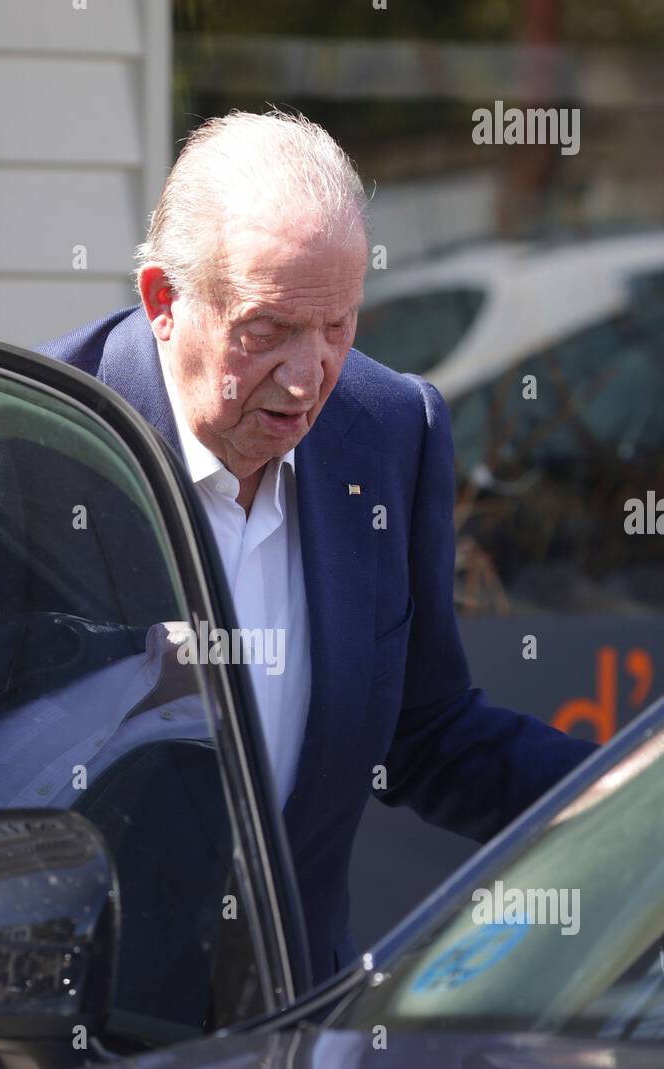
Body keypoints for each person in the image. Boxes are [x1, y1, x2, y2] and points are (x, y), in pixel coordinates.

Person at [36, 108, 595, 984]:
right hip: (59, 1048)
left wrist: (629, 810)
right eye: (267, 330)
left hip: (289, 1039)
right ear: (162, 303)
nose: (308, 379)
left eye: (339, 326)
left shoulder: (389, 429)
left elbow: (428, 731)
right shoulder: (36, 451)